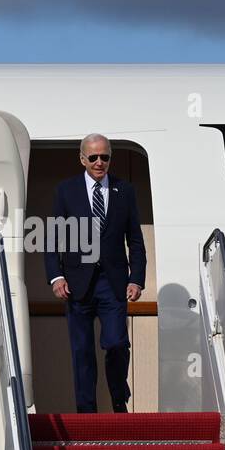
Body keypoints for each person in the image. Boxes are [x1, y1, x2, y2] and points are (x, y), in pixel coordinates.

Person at [44, 134, 147, 413]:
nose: (99, 162)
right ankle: (86, 413)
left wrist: (136, 278)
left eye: (105, 157)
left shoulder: (124, 190)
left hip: (113, 283)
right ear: (82, 159)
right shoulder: (66, 191)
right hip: (77, 284)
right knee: (82, 352)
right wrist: (56, 276)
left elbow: (135, 240)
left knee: (116, 343)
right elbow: (52, 237)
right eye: (93, 157)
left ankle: (117, 396)